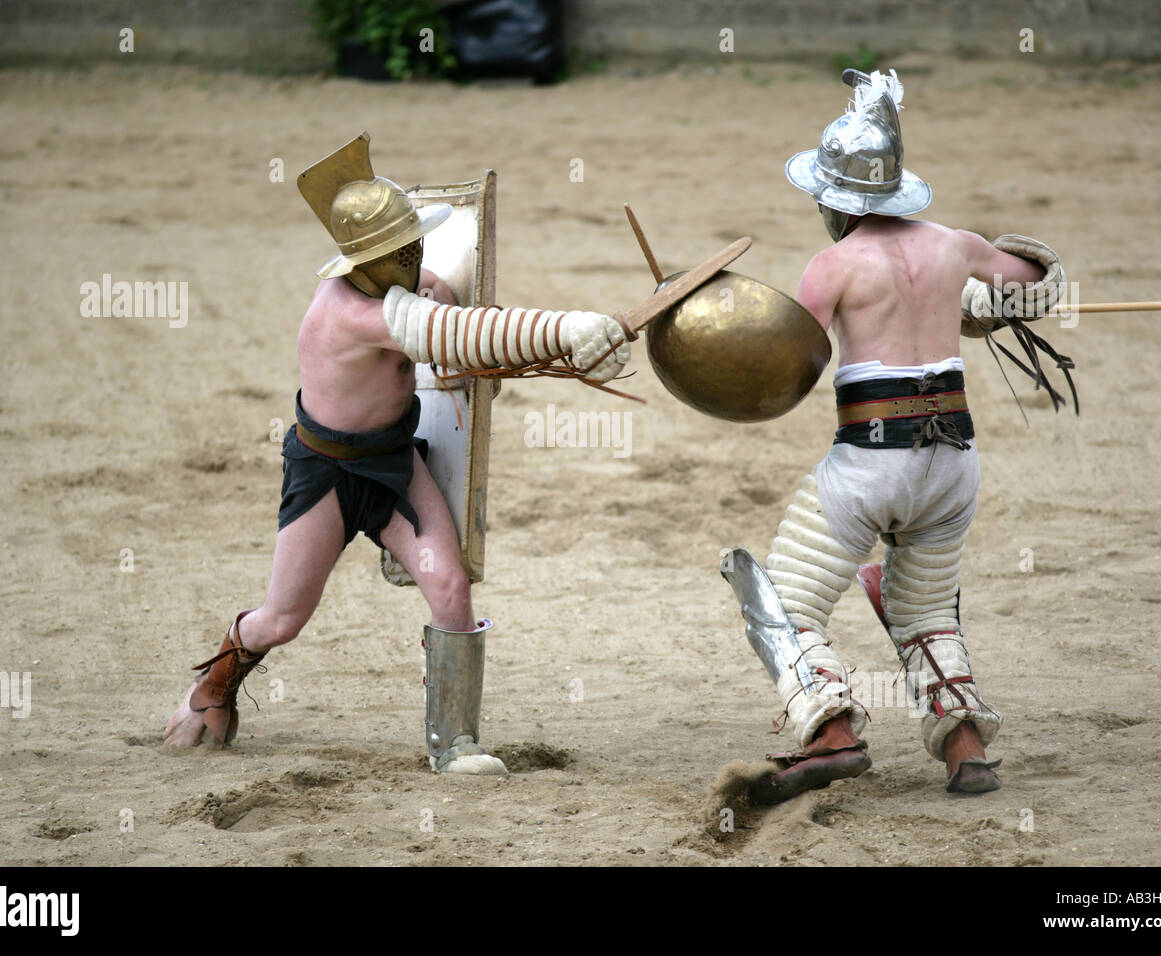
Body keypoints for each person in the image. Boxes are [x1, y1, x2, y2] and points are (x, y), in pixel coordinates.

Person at [164, 134, 629, 774]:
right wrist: (565, 330)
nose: (412, 259)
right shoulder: (348, 313)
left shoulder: (406, 290)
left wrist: (483, 332)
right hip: (325, 472)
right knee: (282, 619)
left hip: (393, 464)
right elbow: (451, 332)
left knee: (449, 585)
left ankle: (454, 744)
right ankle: (213, 684)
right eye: (398, 252)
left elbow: (449, 318)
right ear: (365, 260)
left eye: (413, 247)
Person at [721, 69, 1067, 801]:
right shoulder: (953, 243)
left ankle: (831, 733)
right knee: (926, 608)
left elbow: (784, 364)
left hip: (871, 465)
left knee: (781, 600)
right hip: (954, 467)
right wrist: (972, 303)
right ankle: (966, 749)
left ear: (833, 195)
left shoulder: (833, 264)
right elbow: (1031, 281)